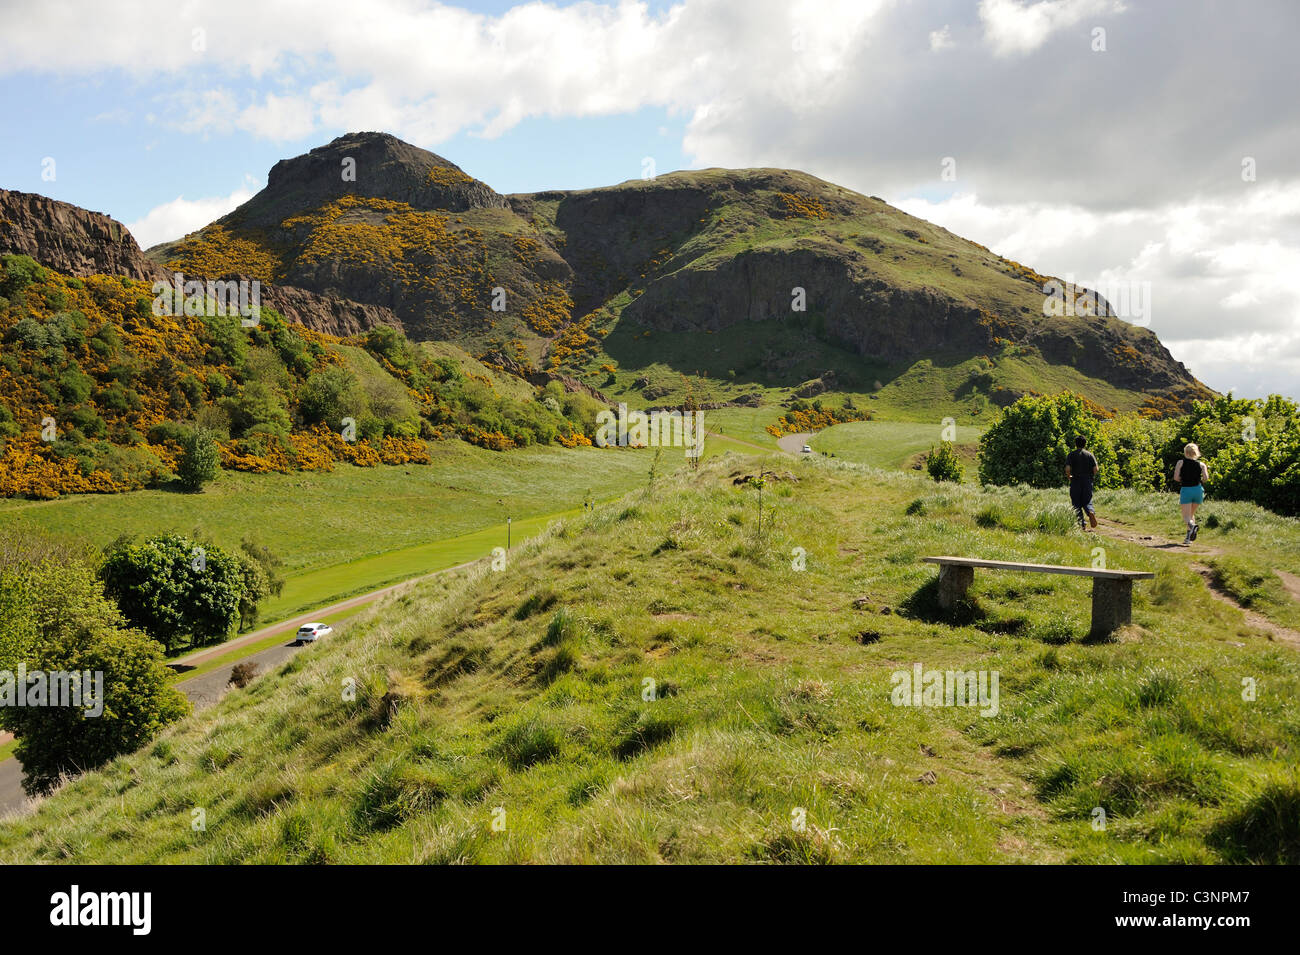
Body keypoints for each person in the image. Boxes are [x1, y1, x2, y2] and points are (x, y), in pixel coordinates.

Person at [1174, 442, 1209, 544]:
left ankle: (1193, 526)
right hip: (1198, 490)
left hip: (1186, 489)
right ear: (1196, 452)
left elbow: (1176, 478)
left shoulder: (1180, 463)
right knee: (1191, 515)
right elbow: (1206, 478)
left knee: (1186, 517)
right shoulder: (1202, 464)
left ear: (1185, 452)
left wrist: (1184, 478)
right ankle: (1188, 538)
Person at [1065, 435, 1099, 530]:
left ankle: (1081, 524)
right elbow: (1096, 469)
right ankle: (1090, 512)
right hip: (1087, 481)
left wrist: (1069, 476)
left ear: (1075, 444)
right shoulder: (1089, 454)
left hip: (1076, 480)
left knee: (1076, 503)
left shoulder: (1071, 455)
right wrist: (1090, 477)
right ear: (1085, 444)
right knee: (1087, 501)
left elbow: (1068, 468)